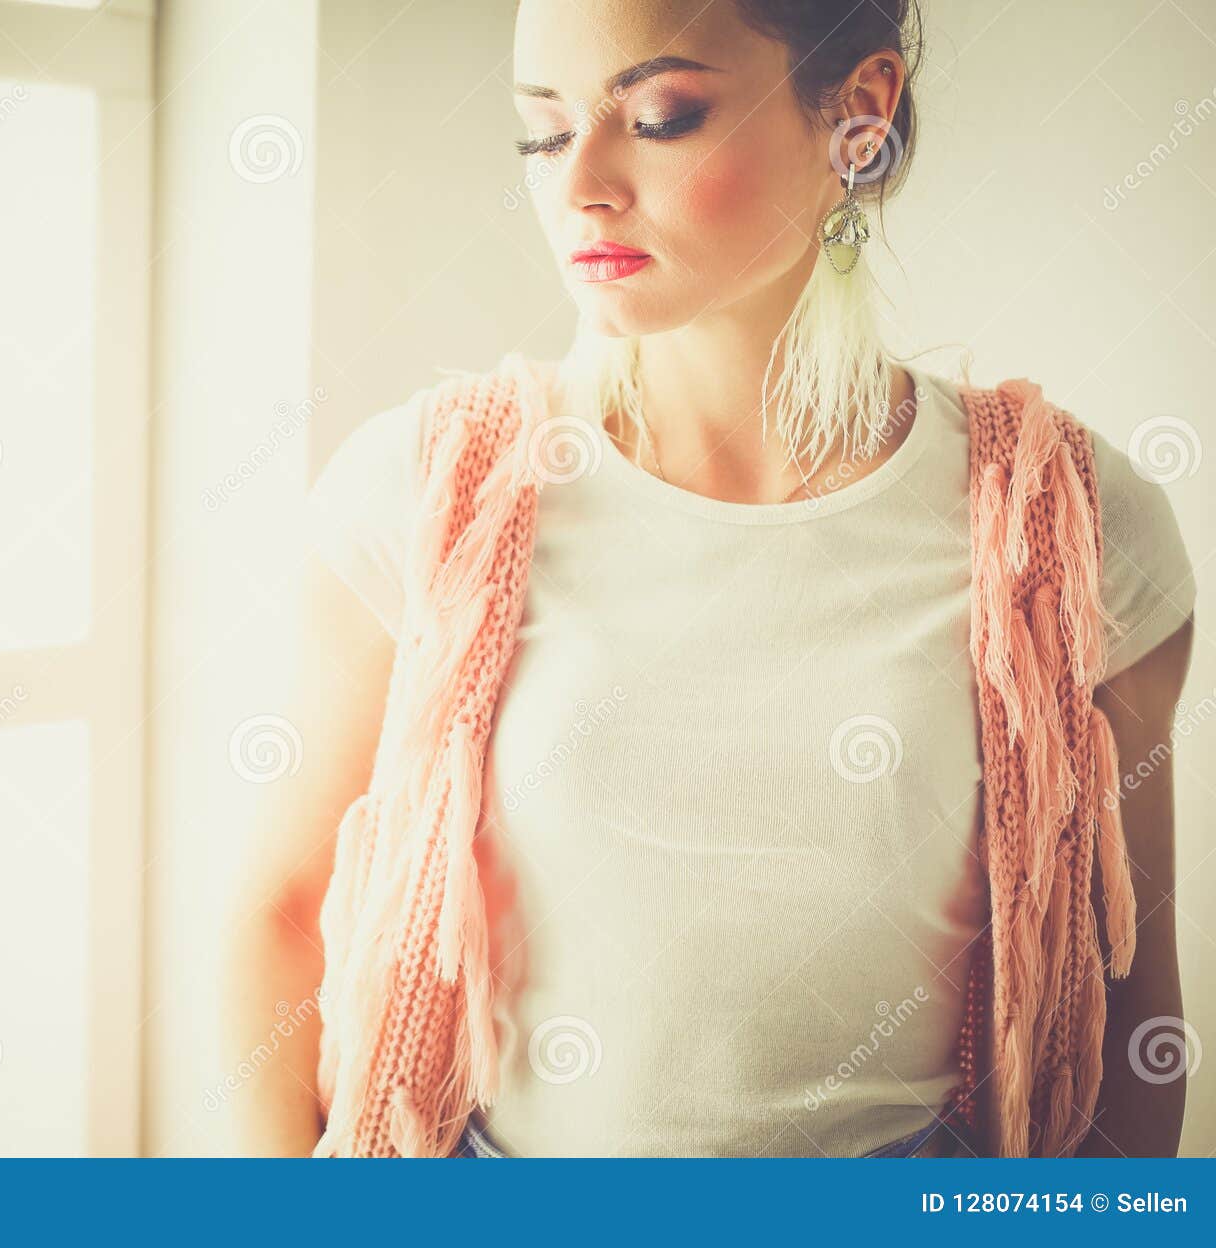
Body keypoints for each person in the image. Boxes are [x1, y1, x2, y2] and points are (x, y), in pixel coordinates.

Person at [224, 0, 1197, 1157]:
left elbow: (1128, 995)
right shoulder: (427, 492)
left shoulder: (1069, 529)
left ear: (859, 117)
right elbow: (284, 918)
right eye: (541, 133)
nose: (580, 181)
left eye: (659, 116)